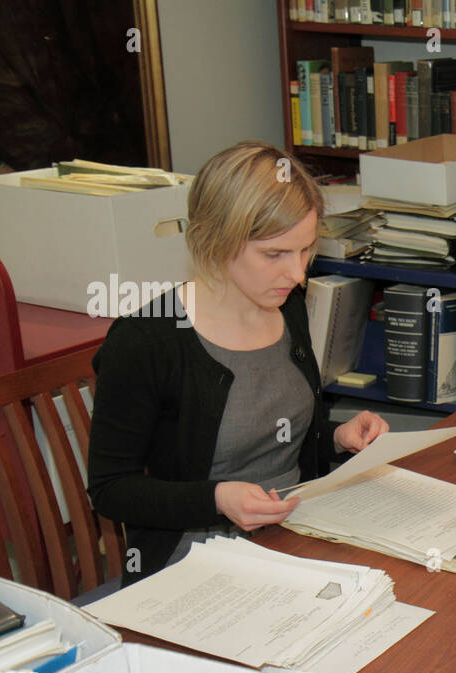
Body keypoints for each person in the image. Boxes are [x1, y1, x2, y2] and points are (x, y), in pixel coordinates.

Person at [87, 141, 388, 587]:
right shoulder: (147, 340)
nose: (298, 274)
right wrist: (217, 499)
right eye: (275, 255)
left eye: (306, 250)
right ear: (217, 240)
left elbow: (283, 437)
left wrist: (337, 437)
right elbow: (111, 489)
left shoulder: (287, 306)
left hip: (292, 537)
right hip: (194, 563)